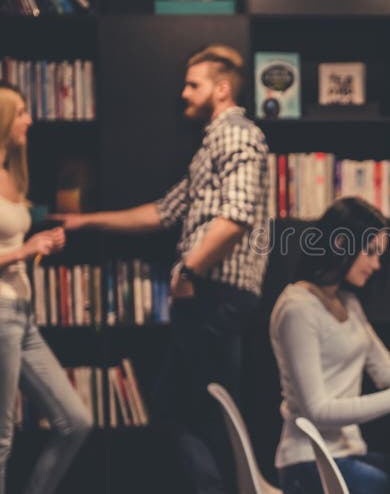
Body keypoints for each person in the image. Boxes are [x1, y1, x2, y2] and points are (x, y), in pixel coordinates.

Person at [51, 45, 270, 494]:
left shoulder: (235, 135)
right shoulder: (213, 144)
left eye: (194, 84)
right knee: (199, 413)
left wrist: (188, 271)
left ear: (222, 89)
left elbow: (236, 216)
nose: (184, 93)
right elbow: (162, 212)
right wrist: (86, 221)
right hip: (209, 298)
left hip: (215, 297)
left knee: (196, 413)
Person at [270, 197, 390, 494]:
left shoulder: (348, 303)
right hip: (308, 463)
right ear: (341, 243)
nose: (376, 264)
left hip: (347, 454)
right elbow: (318, 411)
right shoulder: (296, 307)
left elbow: (384, 367)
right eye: (370, 252)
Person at [0, 82, 92, 494]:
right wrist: (25, 251)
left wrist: (39, 244)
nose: (29, 119)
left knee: (76, 421)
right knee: (2, 437)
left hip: (22, 314)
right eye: (21, 111)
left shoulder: (10, 174)